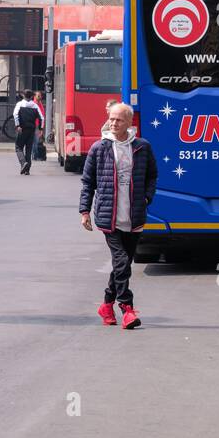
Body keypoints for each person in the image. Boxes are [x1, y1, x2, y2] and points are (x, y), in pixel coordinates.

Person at [80, 102, 157, 330]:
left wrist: (146, 198)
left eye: (119, 120)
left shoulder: (142, 147)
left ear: (129, 123)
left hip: (133, 216)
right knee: (122, 261)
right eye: (111, 119)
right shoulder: (99, 148)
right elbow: (88, 182)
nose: (114, 123)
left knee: (121, 265)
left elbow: (152, 176)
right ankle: (127, 308)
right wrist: (84, 211)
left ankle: (106, 305)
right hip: (108, 215)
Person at [13, 90, 43, 176]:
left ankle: (23, 163)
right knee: (29, 149)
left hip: (22, 129)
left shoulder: (19, 104)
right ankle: (27, 170)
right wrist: (41, 128)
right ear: (31, 96)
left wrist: (17, 125)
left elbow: (15, 114)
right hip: (31, 130)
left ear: (23, 95)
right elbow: (42, 118)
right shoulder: (35, 106)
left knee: (18, 147)